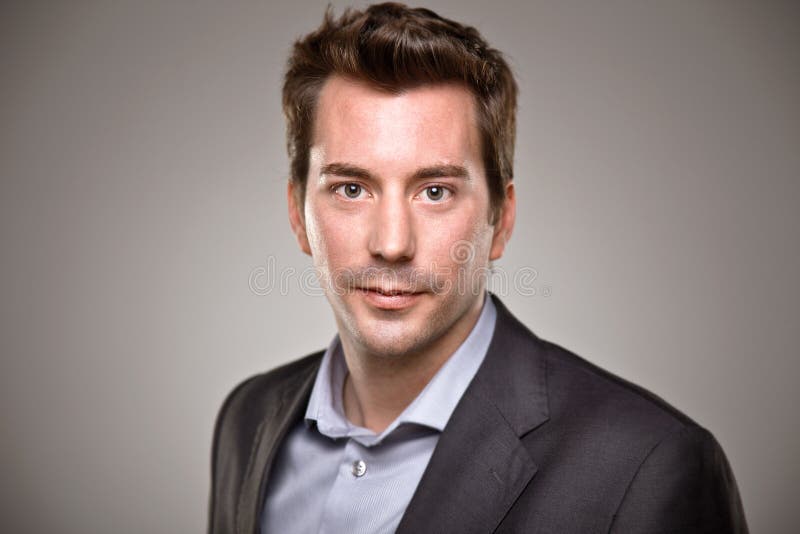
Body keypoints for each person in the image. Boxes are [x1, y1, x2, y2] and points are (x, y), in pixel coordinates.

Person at [208, 3, 748, 533]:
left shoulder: (649, 465)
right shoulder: (248, 420)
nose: (392, 244)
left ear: (501, 219)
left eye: (435, 191)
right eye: (351, 189)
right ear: (297, 215)